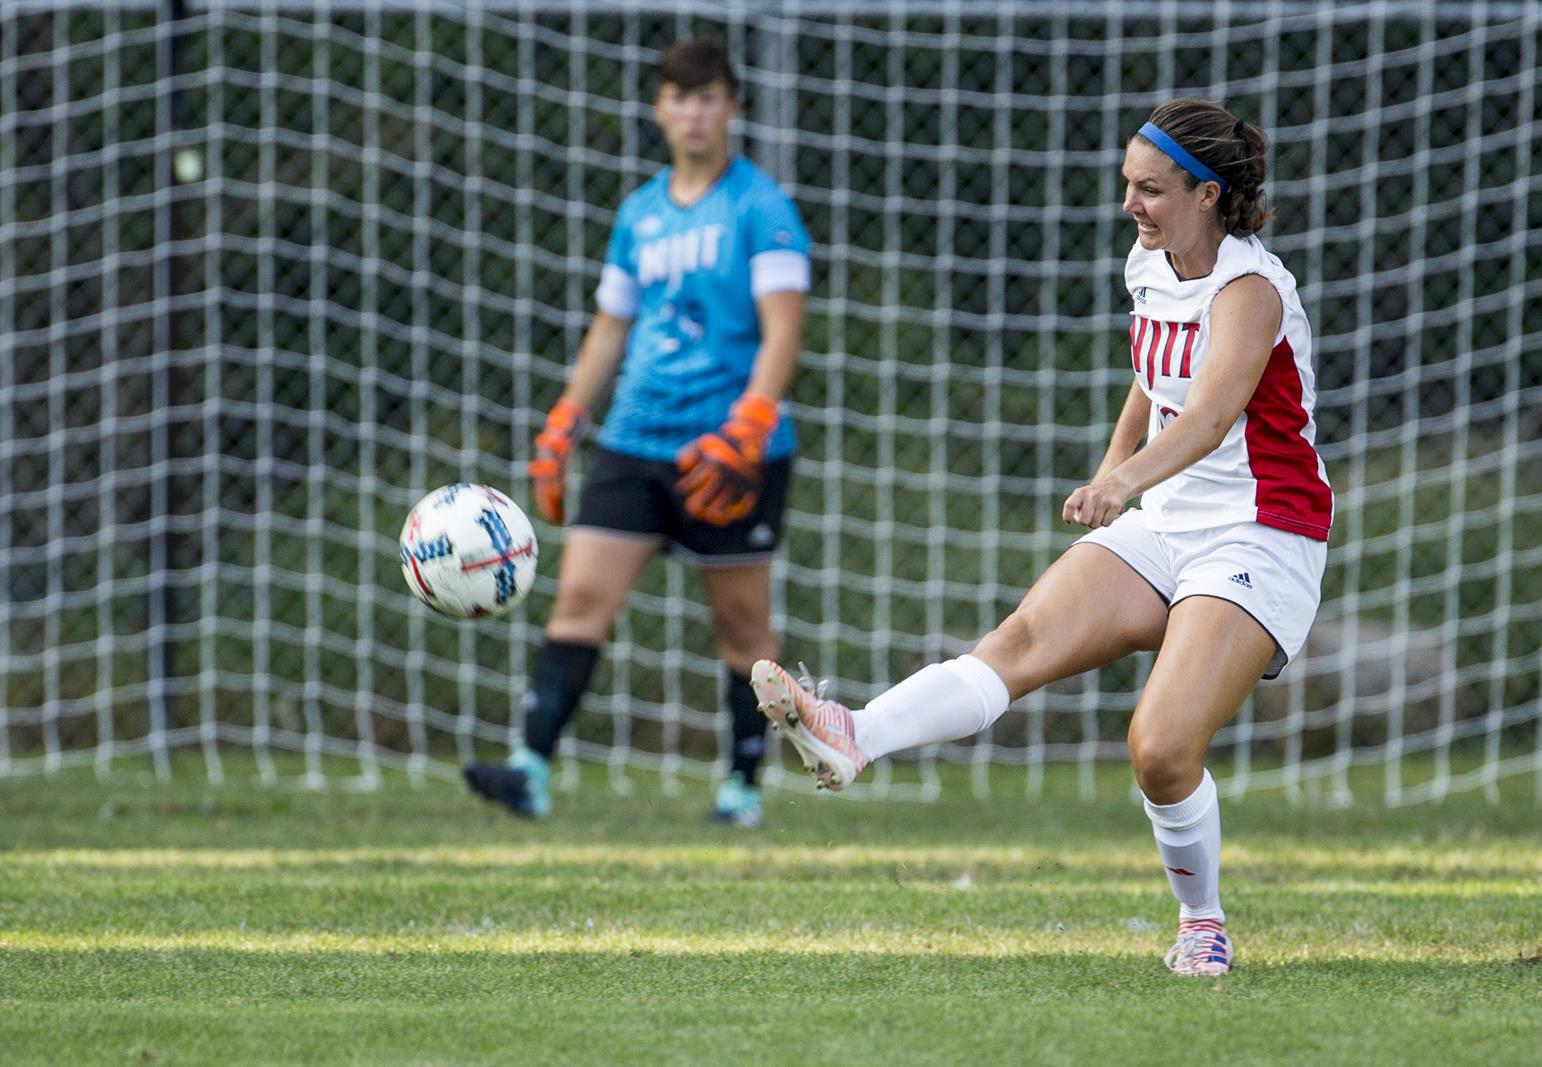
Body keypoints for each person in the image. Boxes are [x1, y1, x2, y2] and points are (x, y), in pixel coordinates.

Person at [751, 98, 1332, 975]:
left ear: (1208, 194)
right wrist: (1115, 463)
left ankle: (1202, 921)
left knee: (1162, 747)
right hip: (1167, 519)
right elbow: (1152, 375)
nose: (1129, 204)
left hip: (1261, 532)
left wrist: (1121, 480)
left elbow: (1212, 414)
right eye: (1126, 185)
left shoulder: (1251, 290)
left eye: (1150, 189)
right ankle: (851, 733)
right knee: (1016, 642)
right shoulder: (1151, 260)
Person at [465, 40, 811, 829]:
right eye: (679, 98)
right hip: (633, 439)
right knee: (580, 598)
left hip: (728, 448)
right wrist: (565, 423)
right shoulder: (640, 213)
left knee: (742, 628)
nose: (693, 113)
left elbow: (784, 329)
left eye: (709, 97)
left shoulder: (761, 208)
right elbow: (610, 329)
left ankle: (743, 786)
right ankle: (531, 770)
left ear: (733, 108)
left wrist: (752, 420)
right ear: (658, 109)